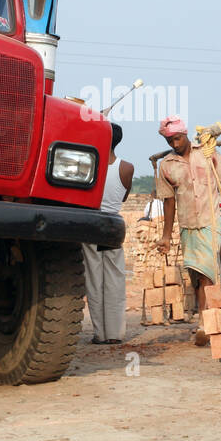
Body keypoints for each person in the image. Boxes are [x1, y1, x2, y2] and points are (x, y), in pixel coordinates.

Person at [155, 116, 221, 344]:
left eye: (178, 139)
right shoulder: (167, 166)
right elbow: (168, 202)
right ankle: (210, 318)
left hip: (210, 222)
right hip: (187, 227)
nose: (174, 144)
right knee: (197, 276)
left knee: (206, 275)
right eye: (169, 141)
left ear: (186, 134)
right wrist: (165, 236)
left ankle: (205, 323)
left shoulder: (207, 153)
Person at [83, 123, 134, 344]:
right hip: (113, 225)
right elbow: (123, 198)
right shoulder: (127, 168)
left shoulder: (90, 165)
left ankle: (99, 333)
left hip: (92, 224)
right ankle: (114, 334)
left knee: (94, 280)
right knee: (114, 279)